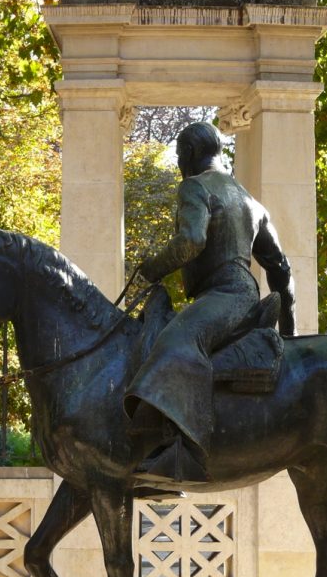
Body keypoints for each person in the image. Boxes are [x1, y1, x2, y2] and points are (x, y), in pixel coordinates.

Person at [124, 122, 295, 484]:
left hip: (225, 294)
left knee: (176, 342)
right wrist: (289, 331)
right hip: (241, 294)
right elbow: (280, 267)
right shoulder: (249, 200)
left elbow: (190, 241)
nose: (177, 164)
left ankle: (180, 451)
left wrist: (152, 268)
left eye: (177, 156)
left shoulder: (195, 187)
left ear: (188, 154)